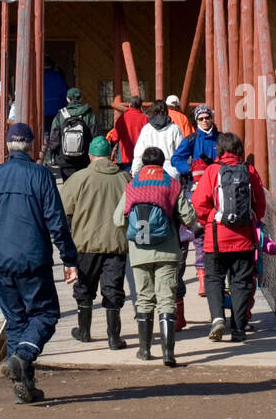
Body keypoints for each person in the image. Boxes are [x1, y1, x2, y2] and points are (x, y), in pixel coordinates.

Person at [0, 121, 78, 405]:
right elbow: (56, 221)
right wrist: (69, 258)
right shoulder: (40, 175)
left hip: (1, 260)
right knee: (45, 314)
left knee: (17, 321)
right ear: (31, 146)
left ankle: (25, 382)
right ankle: (23, 358)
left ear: (8, 146)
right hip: (33, 260)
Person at [114, 145, 199, 365]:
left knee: (144, 299)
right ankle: (168, 353)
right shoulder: (172, 184)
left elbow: (117, 219)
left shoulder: (133, 185)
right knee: (166, 300)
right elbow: (188, 216)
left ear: (143, 163)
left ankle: (144, 350)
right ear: (163, 163)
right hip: (168, 250)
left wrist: (132, 238)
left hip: (139, 252)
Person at [193, 131, 266, 344]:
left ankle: (217, 318)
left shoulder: (212, 171)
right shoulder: (250, 171)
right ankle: (238, 327)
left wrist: (212, 217)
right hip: (243, 238)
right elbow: (259, 204)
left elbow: (199, 202)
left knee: (214, 278)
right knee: (241, 282)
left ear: (220, 150)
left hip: (215, 237)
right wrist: (250, 219)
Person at [60, 135, 129, 350]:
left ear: (90, 156)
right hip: (116, 243)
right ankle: (113, 337)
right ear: (111, 156)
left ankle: (84, 331)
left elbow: (65, 211)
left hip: (85, 244)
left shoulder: (79, 178)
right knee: (113, 288)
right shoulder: (125, 178)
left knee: (84, 288)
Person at [171, 104, 218, 298]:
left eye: (207, 117)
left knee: (204, 236)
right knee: (192, 235)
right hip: (194, 190)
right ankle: (192, 284)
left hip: (215, 191)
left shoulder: (220, 138)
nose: (205, 121)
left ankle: (204, 280)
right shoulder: (191, 139)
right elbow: (176, 159)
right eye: (201, 118)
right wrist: (189, 169)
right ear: (196, 121)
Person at [47, 87, 98, 182]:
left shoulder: (60, 115)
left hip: (65, 159)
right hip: (84, 158)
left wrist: (53, 155)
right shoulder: (89, 113)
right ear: (80, 99)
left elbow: (54, 138)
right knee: (83, 186)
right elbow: (95, 135)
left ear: (67, 99)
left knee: (68, 186)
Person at [131, 99, 186, 179]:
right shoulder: (175, 128)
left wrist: (135, 171)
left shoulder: (147, 129)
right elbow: (181, 152)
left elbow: (139, 153)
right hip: (171, 171)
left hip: (150, 171)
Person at [109, 96, 148, 171]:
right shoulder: (145, 118)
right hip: (142, 156)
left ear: (130, 105)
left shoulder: (123, 118)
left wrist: (111, 148)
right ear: (140, 106)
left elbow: (115, 137)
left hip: (126, 156)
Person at [42, 56, 68, 144]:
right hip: (57, 112)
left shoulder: (39, 78)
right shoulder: (59, 79)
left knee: (44, 138)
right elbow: (65, 95)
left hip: (42, 113)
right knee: (56, 135)